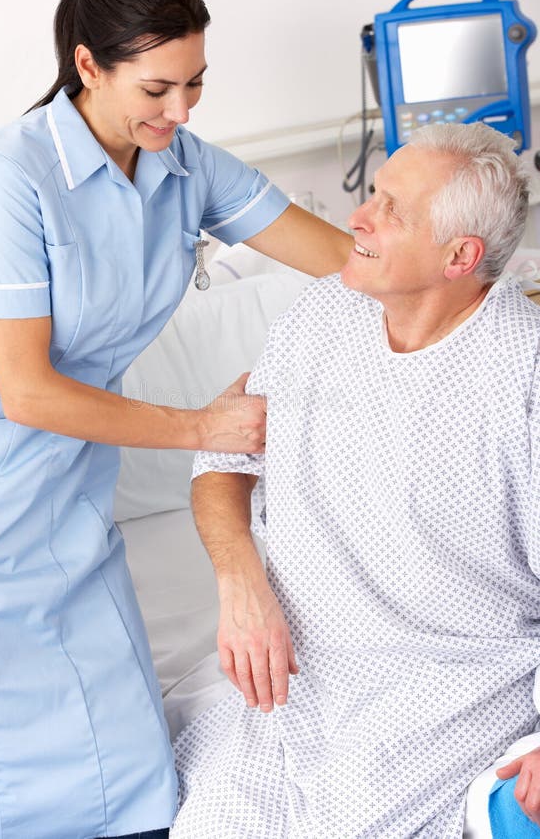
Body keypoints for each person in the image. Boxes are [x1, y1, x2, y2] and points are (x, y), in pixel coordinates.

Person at [0, 0, 353, 839]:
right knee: (11, 802)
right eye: (158, 88)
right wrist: (206, 425)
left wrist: (458, 281)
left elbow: (343, 265)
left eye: (196, 85)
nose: (182, 111)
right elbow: (26, 391)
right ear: (88, 65)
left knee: (138, 783)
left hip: (77, 506)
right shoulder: (6, 182)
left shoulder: (185, 167)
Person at [171, 122, 540, 838]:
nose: (356, 218)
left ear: (460, 256)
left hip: (453, 686)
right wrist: (241, 583)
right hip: (295, 679)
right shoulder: (321, 315)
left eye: (391, 209)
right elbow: (223, 455)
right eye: (373, 193)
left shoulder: (522, 377)